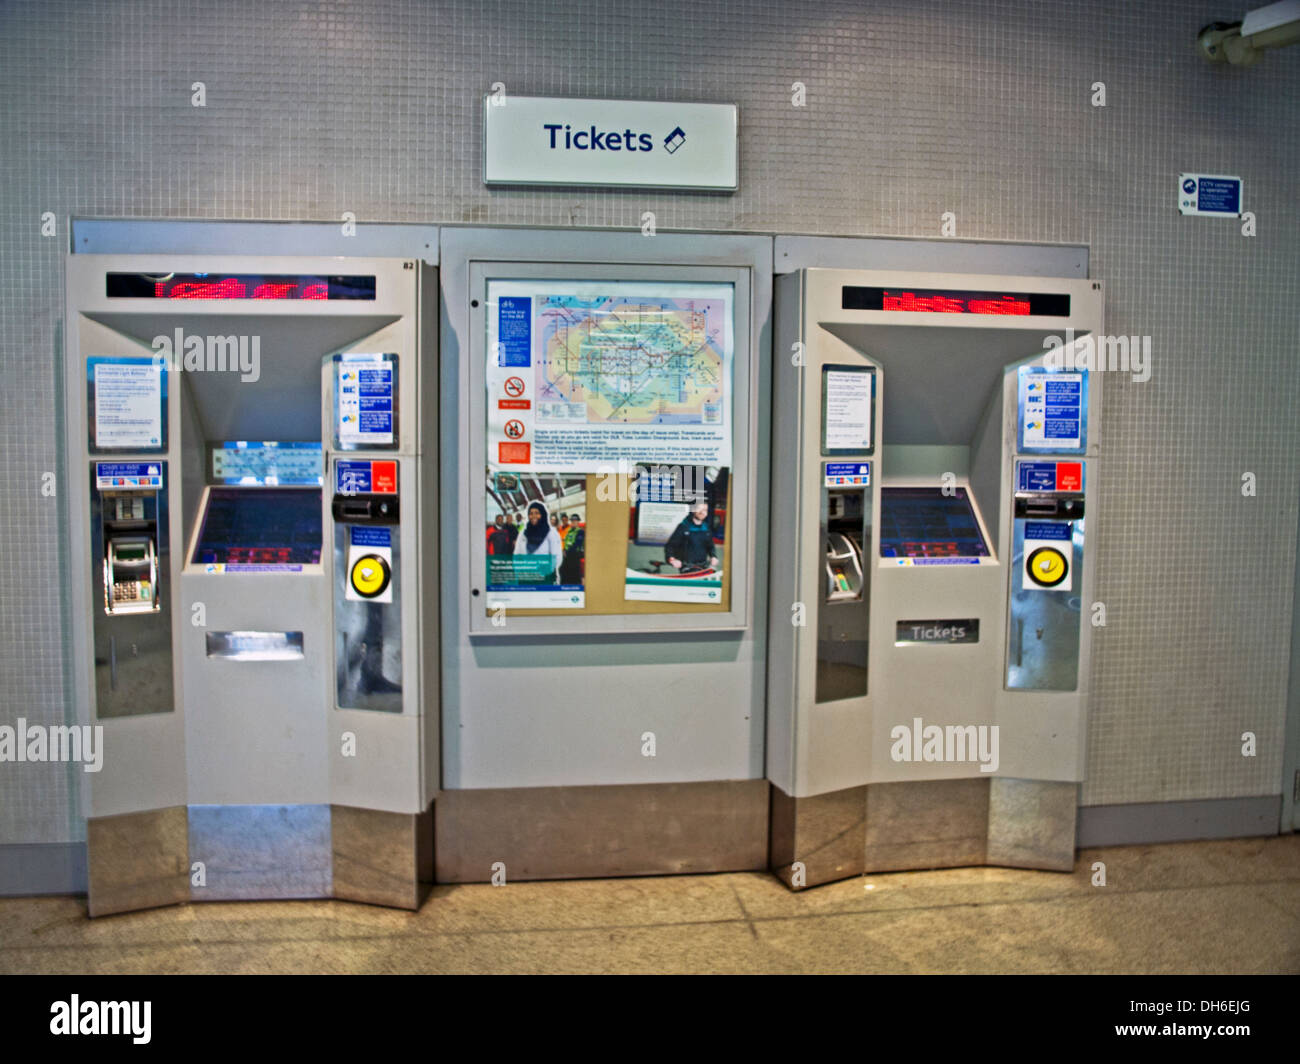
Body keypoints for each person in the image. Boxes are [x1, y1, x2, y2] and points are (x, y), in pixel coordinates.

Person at [515, 500, 564, 583]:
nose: (533, 516)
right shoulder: (523, 533)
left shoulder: (551, 532)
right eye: (531, 513)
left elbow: (557, 556)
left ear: (543, 514)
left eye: (537, 513)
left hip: (544, 577)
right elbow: (517, 554)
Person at [665, 501, 718, 571]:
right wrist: (672, 559)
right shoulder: (684, 526)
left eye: (705, 510)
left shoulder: (706, 528)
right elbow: (670, 546)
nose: (702, 512)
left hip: (703, 567)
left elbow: (710, 546)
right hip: (687, 568)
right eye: (700, 509)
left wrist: (713, 556)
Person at [559, 512, 585, 585]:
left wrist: (567, 552)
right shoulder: (569, 531)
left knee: (575, 574)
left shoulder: (580, 531)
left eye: (575, 521)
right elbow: (566, 542)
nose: (573, 522)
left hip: (575, 555)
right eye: (572, 521)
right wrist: (564, 550)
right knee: (563, 571)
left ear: (578, 522)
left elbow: (577, 544)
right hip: (567, 555)